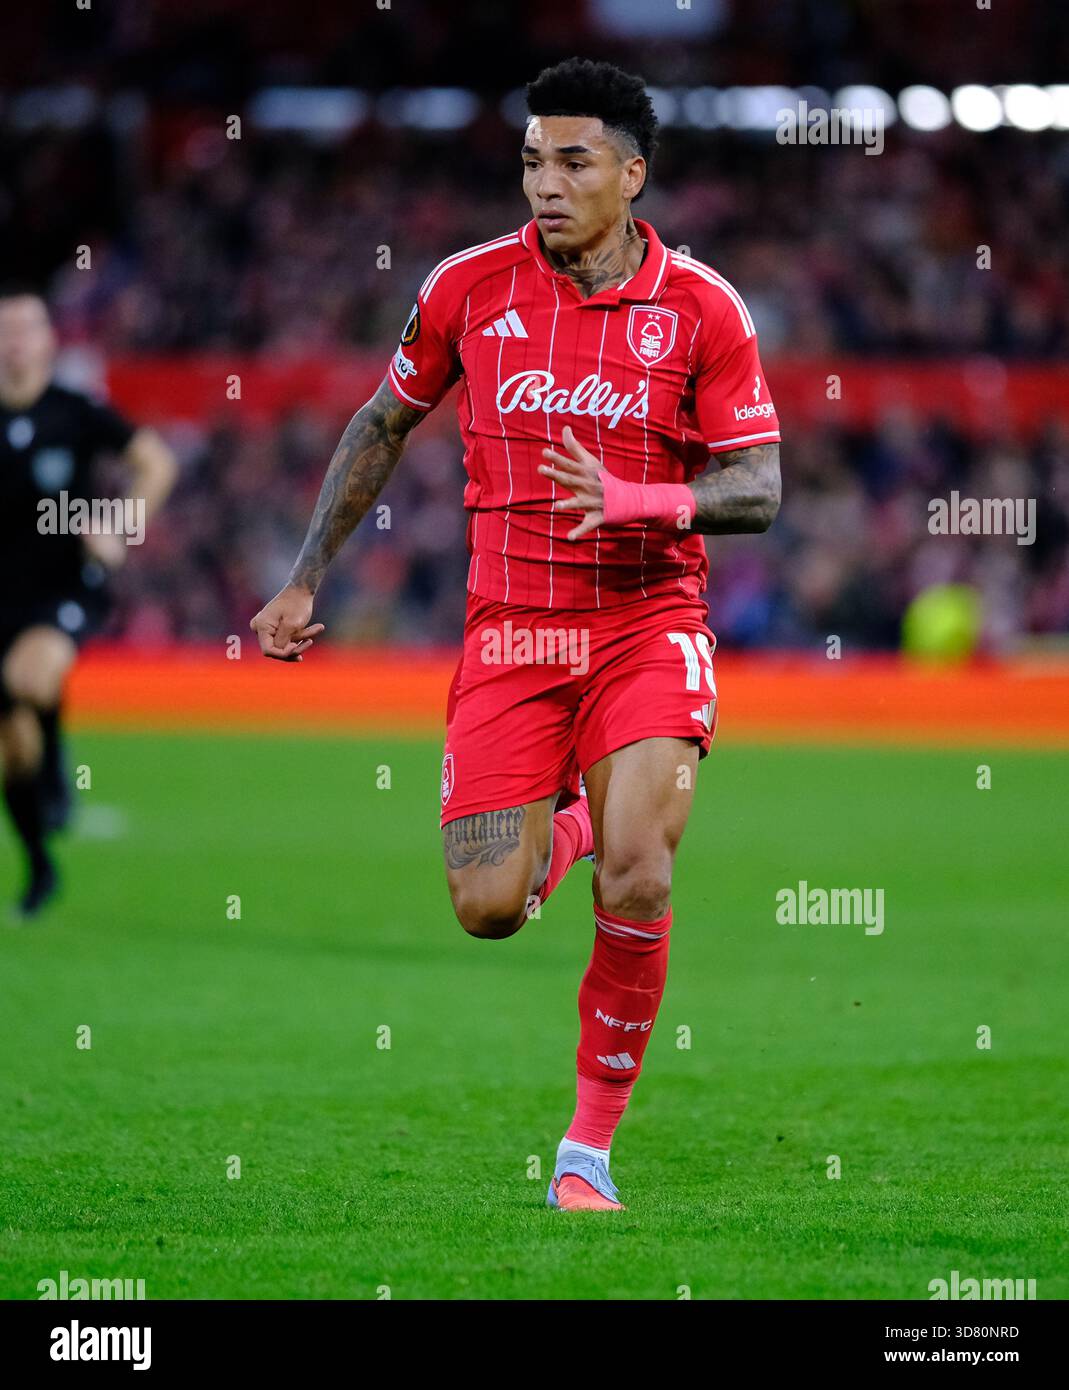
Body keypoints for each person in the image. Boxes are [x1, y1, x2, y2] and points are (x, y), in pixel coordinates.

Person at [251, 58, 781, 1211]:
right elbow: (383, 421)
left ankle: (586, 1149)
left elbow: (760, 484)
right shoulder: (465, 288)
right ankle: (579, 817)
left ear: (631, 175)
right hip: (514, 633)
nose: (546, 182)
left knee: (640, 873)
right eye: (533, 160)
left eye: (573, 161)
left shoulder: (701, 307)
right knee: (489, 907)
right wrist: (302, 581)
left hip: (649, 618)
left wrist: (641, 502)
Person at [0, 287, 176, 916]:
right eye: (6, 328)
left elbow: (156, 462)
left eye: (27, 327)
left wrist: (121, 521)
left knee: (28, 674)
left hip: (63, 589)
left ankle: (56, 772)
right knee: (12, 747)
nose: (16, 339)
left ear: (49, 340)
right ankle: (40, 866)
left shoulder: (74, 411)